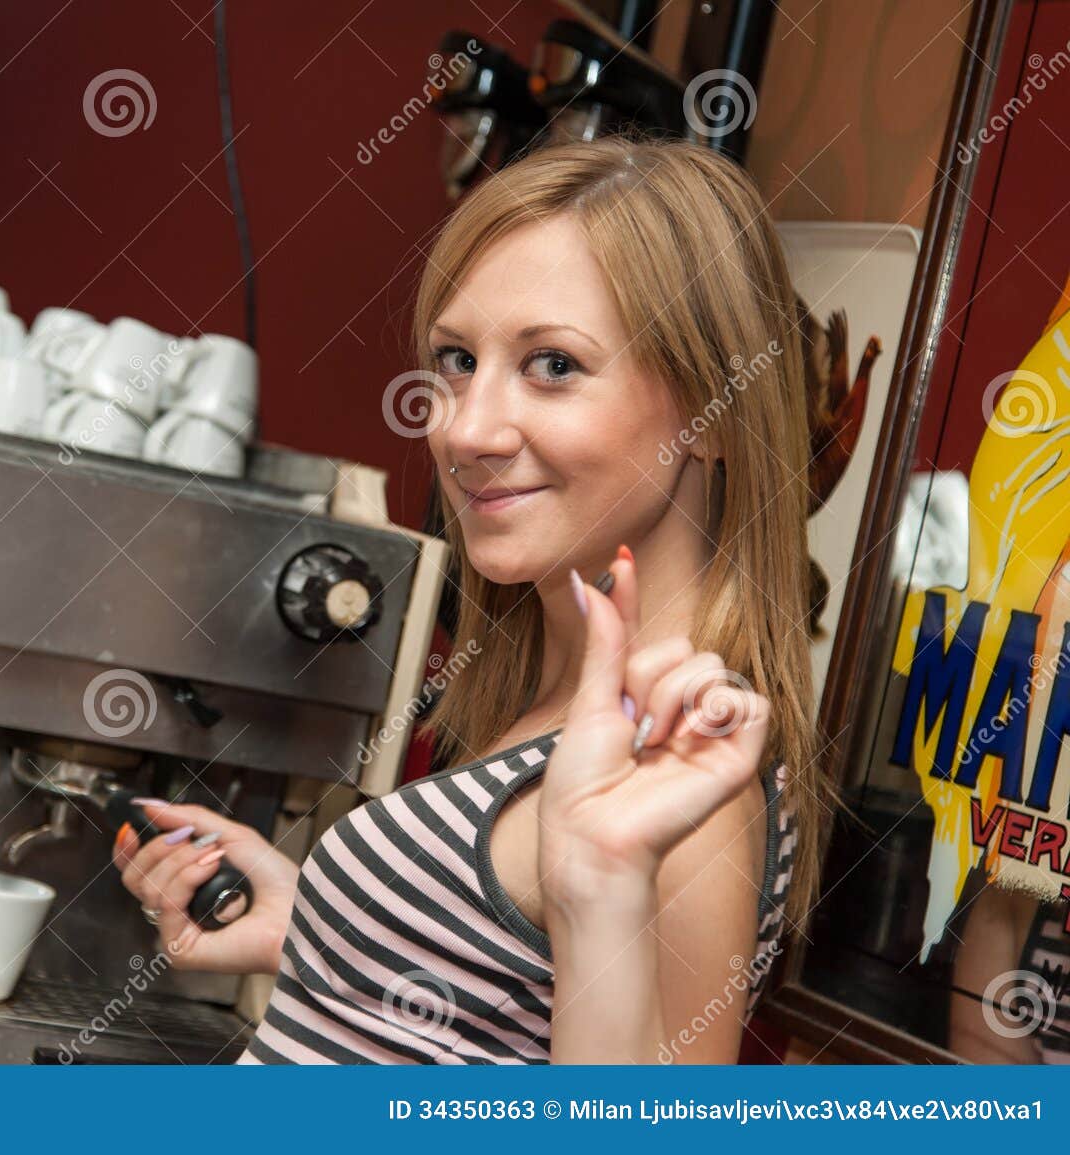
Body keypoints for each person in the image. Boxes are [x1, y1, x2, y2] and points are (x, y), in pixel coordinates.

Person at [114, 134, 828, 1064]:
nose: (467, 429)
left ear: (716, 415)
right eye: (456, 360)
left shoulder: (684, 765)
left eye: (554, 365)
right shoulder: (558, 702)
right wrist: (331, 928)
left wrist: (602, 879)